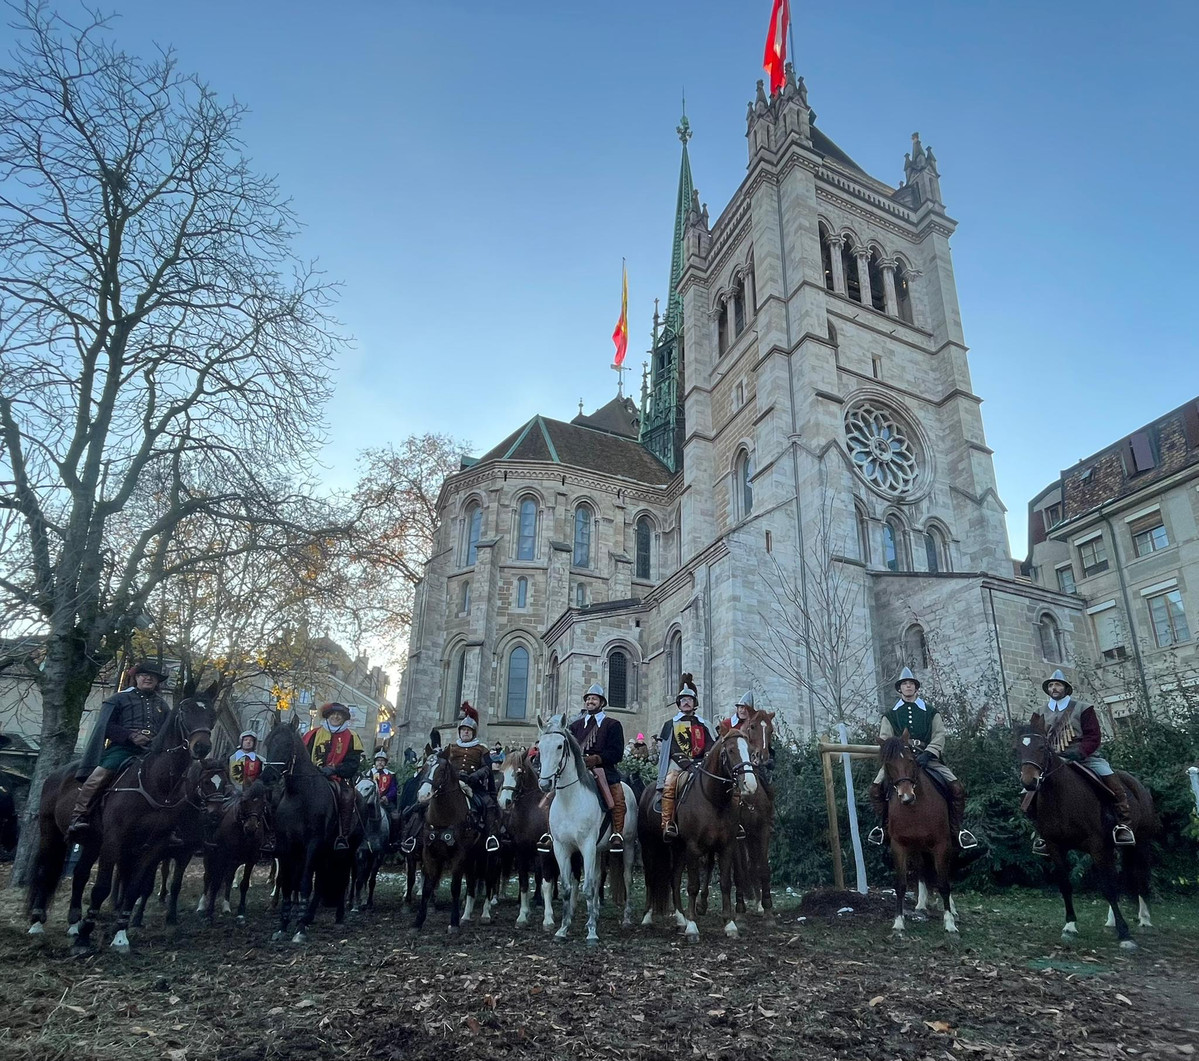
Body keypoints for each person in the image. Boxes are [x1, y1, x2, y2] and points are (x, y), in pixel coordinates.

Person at [867, 667, 978, 850]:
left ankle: (957, 830)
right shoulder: (890, 715)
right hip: (899, 761)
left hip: (927, 757)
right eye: (905, 684)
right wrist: (895, 754)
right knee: (875, 789)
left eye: (911, 684)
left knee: (956, 787)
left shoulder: (931, 712)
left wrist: (930, 752)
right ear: (899, 689)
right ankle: (883, 827)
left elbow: (940, 734)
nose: (908, 687)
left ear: (916, 688)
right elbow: (885, 738)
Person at [69, 661, 171, 838]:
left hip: (151, 753)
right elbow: (105, 726)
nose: (148, 678)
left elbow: (167, 732)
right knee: (99, 775)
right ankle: (79, 815)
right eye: (144, 675)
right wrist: (131, 736)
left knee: (172, 779)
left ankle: (170, 825)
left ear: (157, 681)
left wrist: (156, 741)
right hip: (122, 749)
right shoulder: (118, 698)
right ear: (136, 677)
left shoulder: (163, 706)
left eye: (152, 676)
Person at [1035, 668, 1135, 850]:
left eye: (1058, 684)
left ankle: (1124, 824)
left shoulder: (1083, 708)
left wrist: (1080, 752)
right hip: (1052, 760)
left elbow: (1093, 736)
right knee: (1028, 792)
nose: (1054, 688)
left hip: (1084, 756)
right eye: (1051, 685)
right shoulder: (1039, 712)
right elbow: (1035, 737)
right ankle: (1040, 833)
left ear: (1065, 688)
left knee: (1111, 780)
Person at [568, 682, 627, 854]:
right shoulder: (575, 726)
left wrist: (597, 759)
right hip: (577, 770)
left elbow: (617, 753)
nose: (590, 702)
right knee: (550, 796)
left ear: (601, 703)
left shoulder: (613, 724)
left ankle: (617, 833)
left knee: (617, 797)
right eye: (588, 699)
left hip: (603, 769)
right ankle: (550, 833)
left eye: (594, 699)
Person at [656, 673, 715, 842]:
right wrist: (688, 765)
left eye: (689, 699)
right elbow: (673, 747)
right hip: (678, 764)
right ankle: (668, 822)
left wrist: (706, 759)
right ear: (679, 704)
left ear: (694, 703)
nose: (686, 702)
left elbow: (711, 743)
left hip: (702, 763)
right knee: (670, 783)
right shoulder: (670, 724)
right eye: (683, 700)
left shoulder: (704, 723)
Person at [302, 702, 364, 850]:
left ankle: (342, 835)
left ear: (344, 719)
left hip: (337, 779)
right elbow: (303, 757)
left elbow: (353, 764)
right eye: (333, 714)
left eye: (339, 715)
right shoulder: (313, 734)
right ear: (328, 716)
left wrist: (335, 770)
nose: (336, 717)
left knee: (348, 798)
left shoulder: (352, 737)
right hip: (310, 778)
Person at [446, 702, 500, 852]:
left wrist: (474, 776)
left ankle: (491, 837)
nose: (466, 732)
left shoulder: (481, 749)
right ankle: (415, 836)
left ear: (473, 732)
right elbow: (445, 766)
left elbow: (487, 768)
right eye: (463, 730)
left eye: (468, 730)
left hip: (473, 786)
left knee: (488, 804)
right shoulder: (451, 748)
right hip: (453, 785)